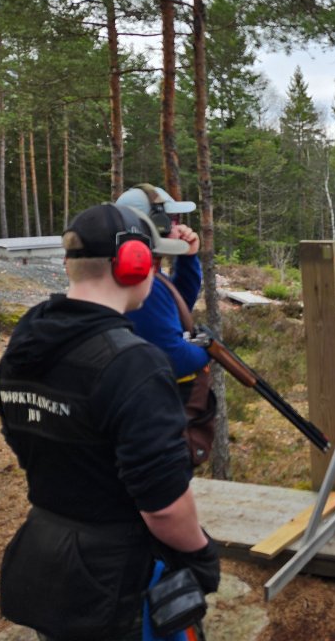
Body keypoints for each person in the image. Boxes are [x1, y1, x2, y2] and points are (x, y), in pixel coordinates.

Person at [0, 203, 220, 641]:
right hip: (119, 579)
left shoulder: (28, 339)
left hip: (49, 562)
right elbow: (164, 505)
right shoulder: (134, 365)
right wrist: (200, 553)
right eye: (152, 260)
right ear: (134, 266)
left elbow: (18, 433)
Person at [116, 183, 214, 466]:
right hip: (156, 408)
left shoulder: (145, 276)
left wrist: (187, 256)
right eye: (171, 221)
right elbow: (175, 358)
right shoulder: (143, 283)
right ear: (152, 225)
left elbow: (179, 301)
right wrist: (207, 349)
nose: (178, 227)